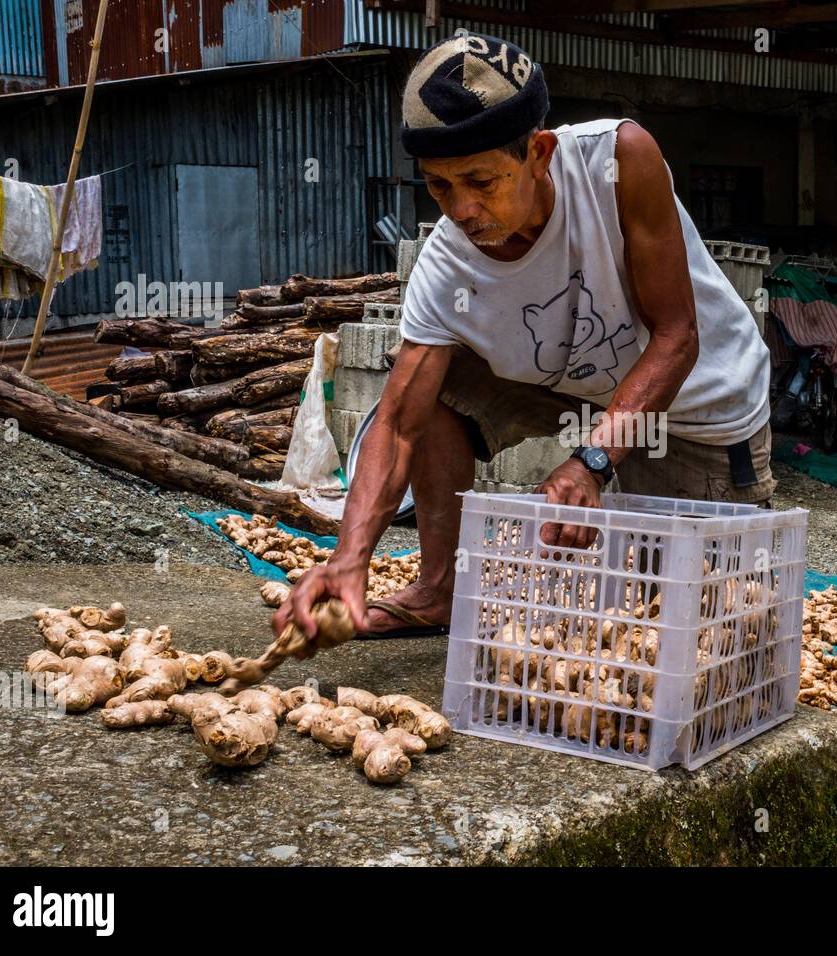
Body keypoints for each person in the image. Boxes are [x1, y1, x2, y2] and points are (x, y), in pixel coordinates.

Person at [275, 32, 773, 641]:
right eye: (439, 185)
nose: (460, 210)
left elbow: (676, 336)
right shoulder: (447, 265)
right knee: (426, 384)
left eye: (481, 182)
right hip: (570, 383)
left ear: (539, 153)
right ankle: (441, 589)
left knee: (697, 633)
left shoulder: (618, 163)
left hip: (698, 404)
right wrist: (348, 558)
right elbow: (400, 425)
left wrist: (591, 462)